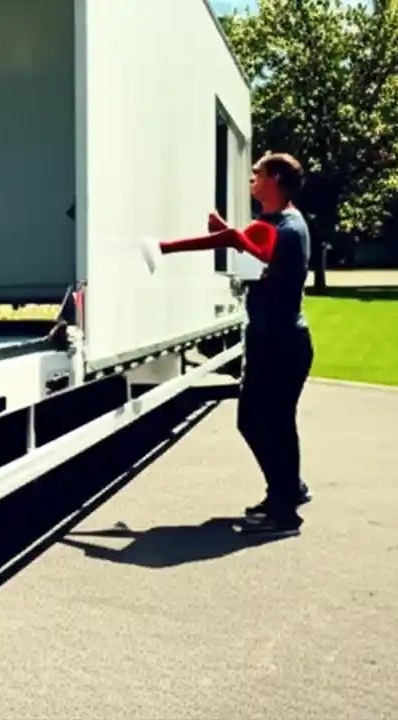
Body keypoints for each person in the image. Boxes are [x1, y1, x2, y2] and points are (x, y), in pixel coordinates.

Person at [138, 152, 314, 537]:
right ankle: (288, 489)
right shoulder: (275, 220)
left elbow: (253, 247)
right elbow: (246, 241)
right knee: (254, 421)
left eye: (258, 173)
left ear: (276, 180)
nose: (251, 177)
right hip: (269, 339)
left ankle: (284, 513)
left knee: (275, 424)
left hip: (283, 343)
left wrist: (170, 247)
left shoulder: (290, 228)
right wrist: (229, 233)